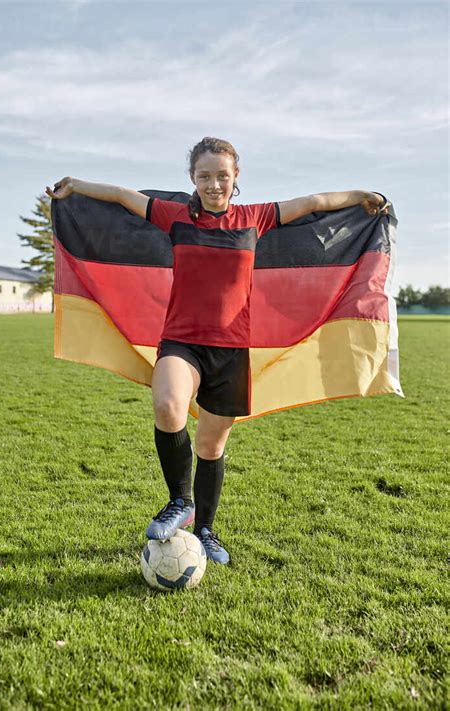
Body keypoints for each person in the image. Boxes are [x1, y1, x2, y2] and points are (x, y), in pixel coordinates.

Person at [46, 136, 388, 565]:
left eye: (222, 175)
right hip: (181, 341)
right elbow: (120, 196)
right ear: (192, 177)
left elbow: (315, 201)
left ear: (235, 176)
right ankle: (180, 502)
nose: (213, 184)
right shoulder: (174, 217)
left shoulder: (255, 218)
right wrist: (74, 185)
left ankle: (205, 530)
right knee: (169, 404)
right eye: (204, 176)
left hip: (230, 351)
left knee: (210, 447)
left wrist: (360, 197)